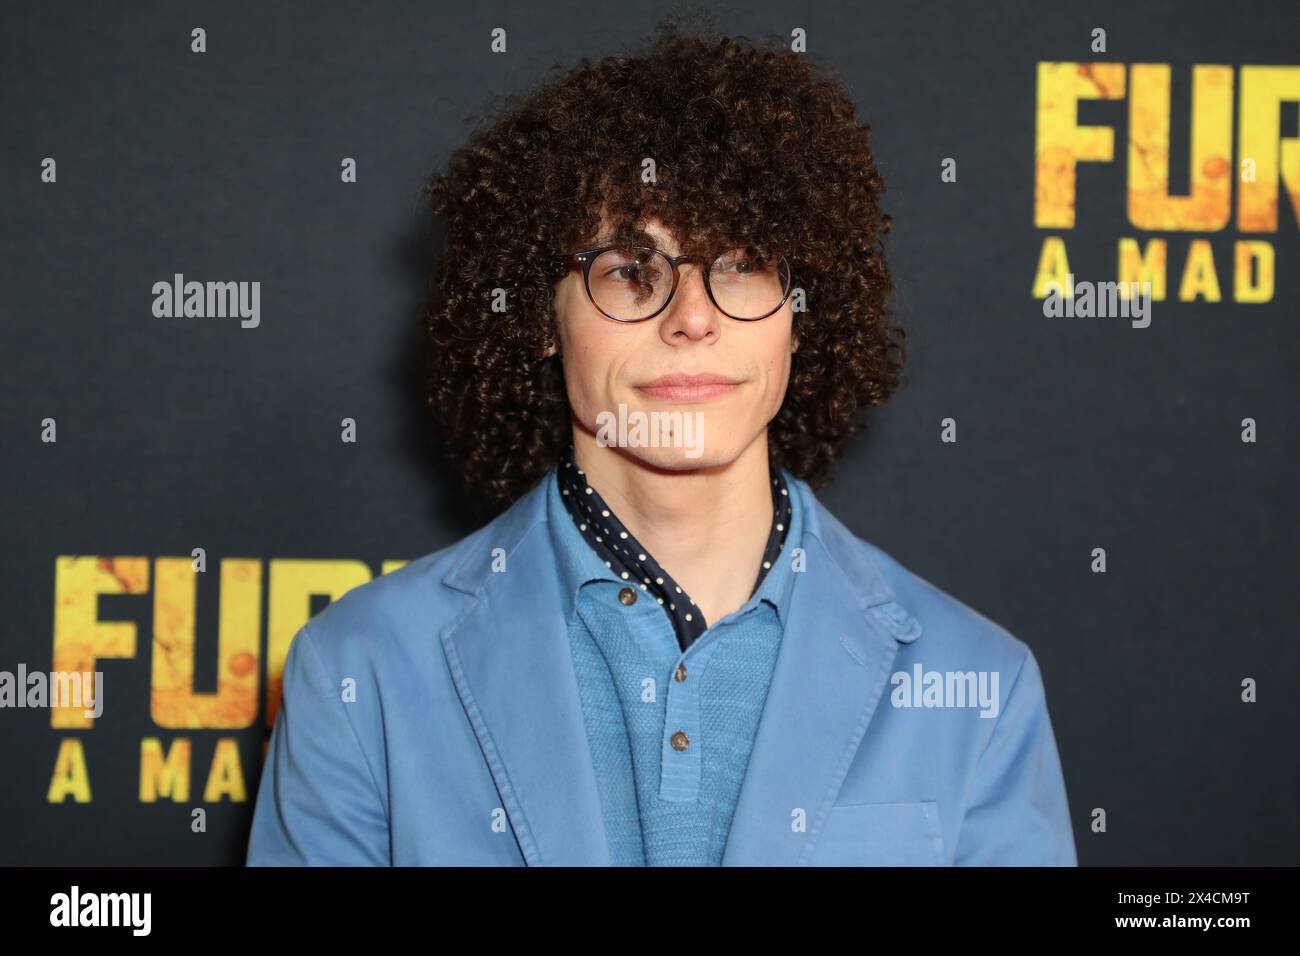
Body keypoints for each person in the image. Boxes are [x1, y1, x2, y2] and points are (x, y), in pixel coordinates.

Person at [246, 19, 1076, 866]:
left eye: (742, 263)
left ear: (799, 313)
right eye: (630, 270)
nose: (692, 318)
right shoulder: (363, 674)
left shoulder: (979, 686)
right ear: (541, 314)